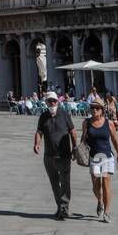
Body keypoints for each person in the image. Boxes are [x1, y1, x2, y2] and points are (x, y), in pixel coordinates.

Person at [33, 90, 77, 220]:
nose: (52, 103)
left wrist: (74, 147)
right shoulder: (43, 116)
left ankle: (64, 208)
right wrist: (36, 144)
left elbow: (73, 131)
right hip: (49, 156)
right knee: (54, 183)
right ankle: (60, 206)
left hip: (64, 155)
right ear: (46, 103)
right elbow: (39, 131)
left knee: (65, 182)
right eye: (49, 101)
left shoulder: (64, 114)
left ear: (58, 101)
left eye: (54, 101)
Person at [82, 98, 118, 223]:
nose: (94, 110)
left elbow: (115, 140)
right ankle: (99, 201)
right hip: (94, 157)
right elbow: (83, 139)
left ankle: (107, 212)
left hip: (107, 157)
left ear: (102, 110)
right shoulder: (86, 122)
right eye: (92, 108)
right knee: (96, 186)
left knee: (106, 184)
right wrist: (79, 150)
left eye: (97, 108)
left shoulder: (109, 123)